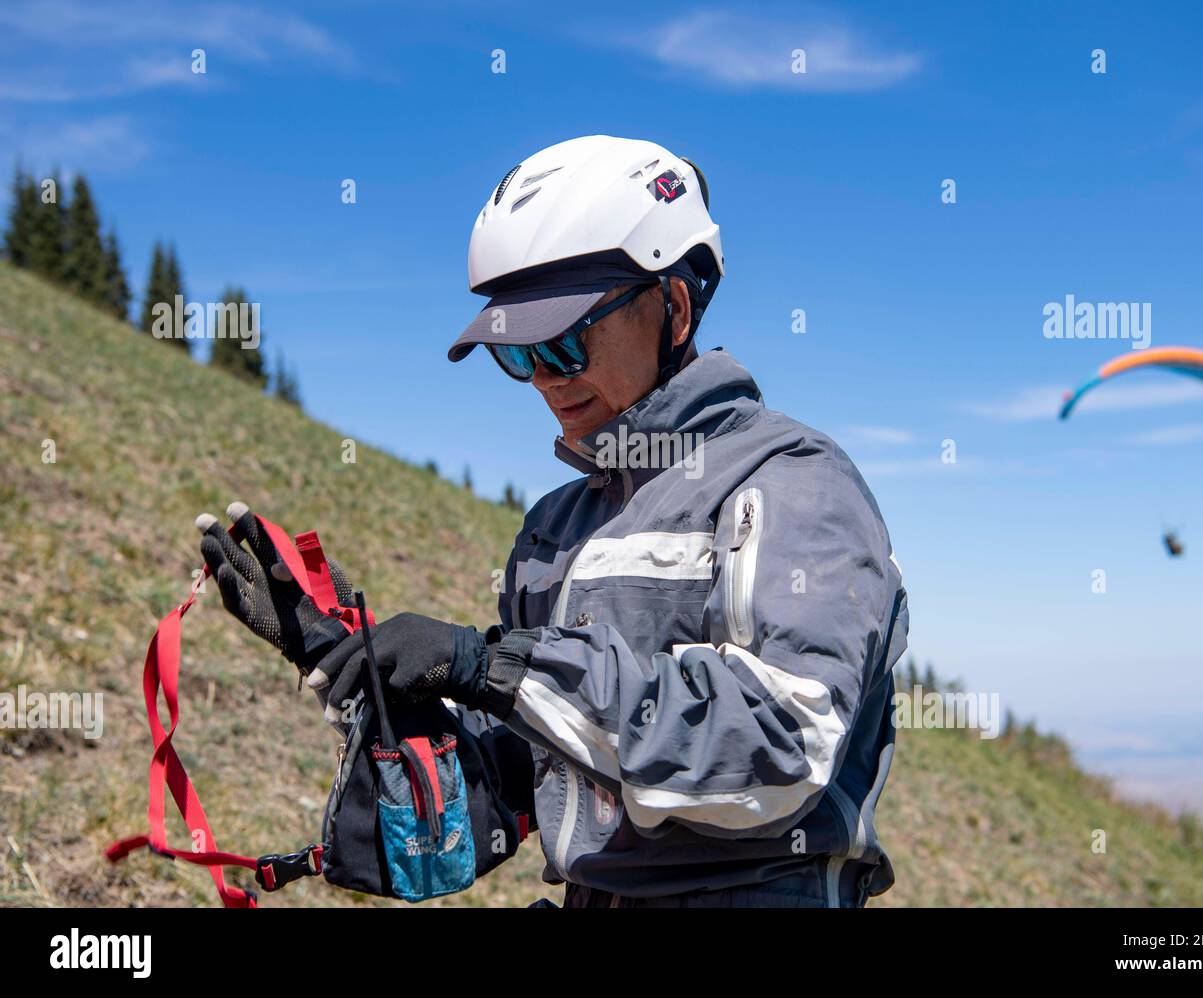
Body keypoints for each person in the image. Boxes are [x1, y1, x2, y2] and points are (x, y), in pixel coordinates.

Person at [196, 135, 909, 908]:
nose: (541, 379)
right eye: (517, 352)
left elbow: (779, 749)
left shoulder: (791, 484)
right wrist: (367, 682)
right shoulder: (556, 527)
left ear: (670, 306)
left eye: (566, 342)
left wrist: (495, 668)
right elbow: (524, 790)